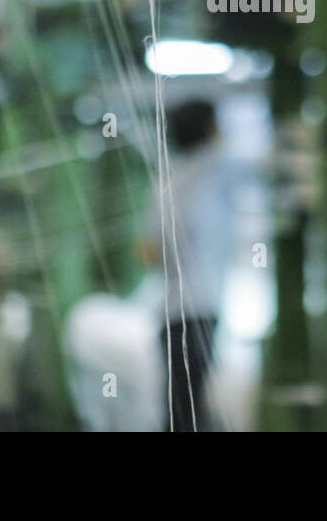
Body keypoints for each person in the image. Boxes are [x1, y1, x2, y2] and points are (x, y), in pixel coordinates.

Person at [140, 99, 235, 431]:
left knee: (181, 409)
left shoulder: (169, 182)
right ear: (209, 129)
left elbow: (149, 253)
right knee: (187, 412)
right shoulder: (216, 166)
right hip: (197, 311)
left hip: (175, 313)